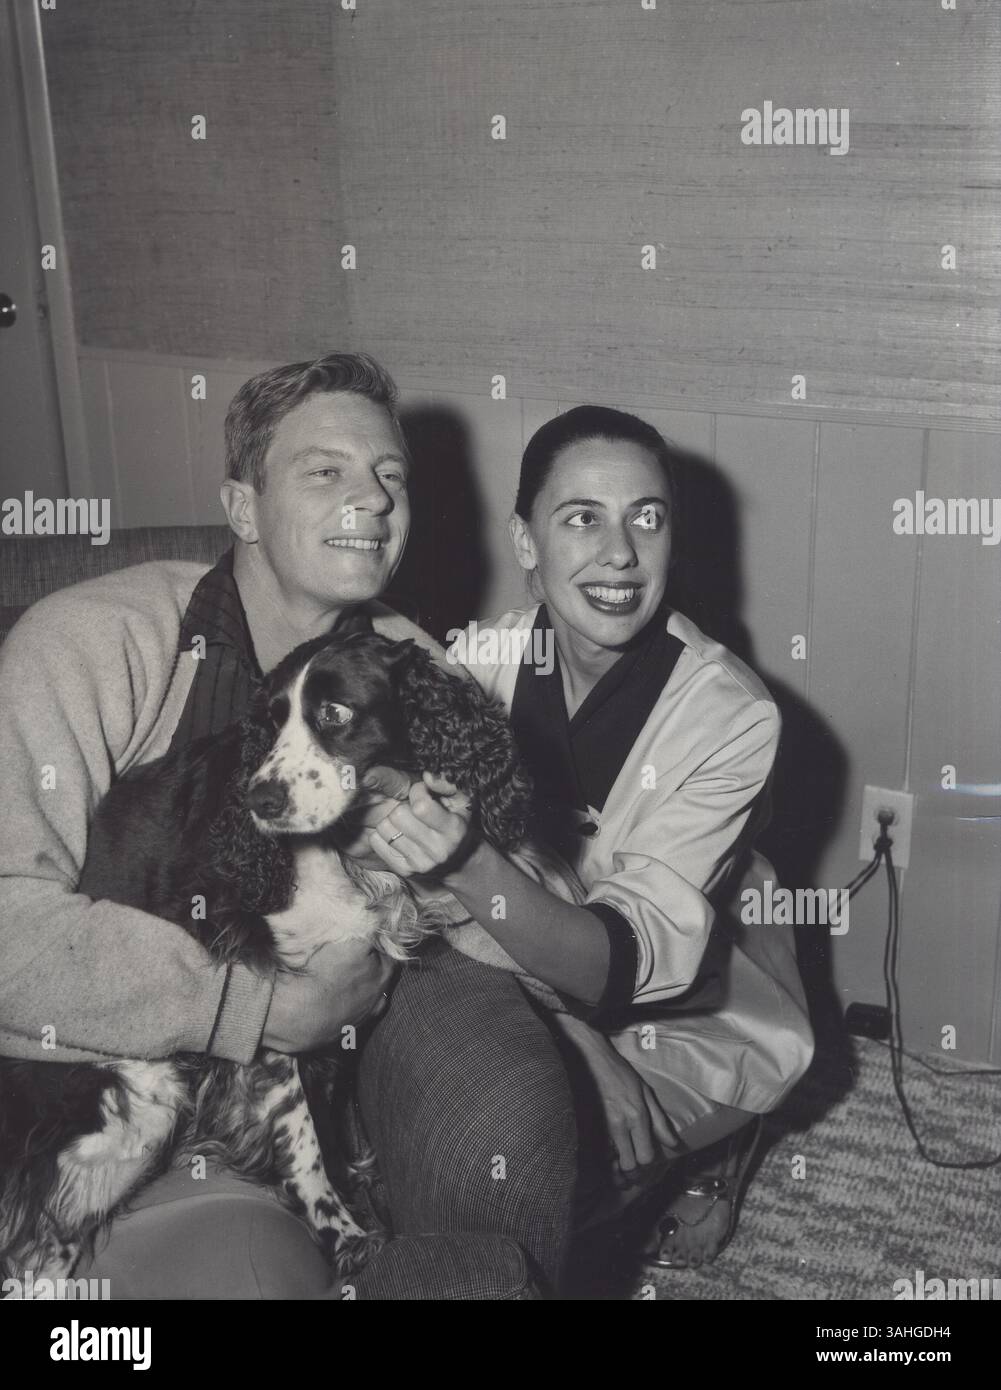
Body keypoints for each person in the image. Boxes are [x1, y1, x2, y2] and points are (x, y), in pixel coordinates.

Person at [0, 353, 575, 1299]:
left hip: (246, 1127)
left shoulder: (407, 671)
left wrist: (576, 1040)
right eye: (326, 471)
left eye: (390, 476)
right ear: (241, 507)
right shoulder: (86, 643)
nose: (372, 500)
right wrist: (253, 1006)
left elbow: (518, 886)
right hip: (64, 1087)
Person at [359, 405, 814, 1273]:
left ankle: (719, 1150)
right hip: (536, 975)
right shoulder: (475, 665)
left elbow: (616, 963)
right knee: (421, 1134)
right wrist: (570, 1041)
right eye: (581, 519)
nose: (619, 553)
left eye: (646, 517)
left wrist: (464, 861)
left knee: (547, 1164)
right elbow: (412, 893)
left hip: (689, 989)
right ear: (524, 543)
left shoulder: (729, 714)